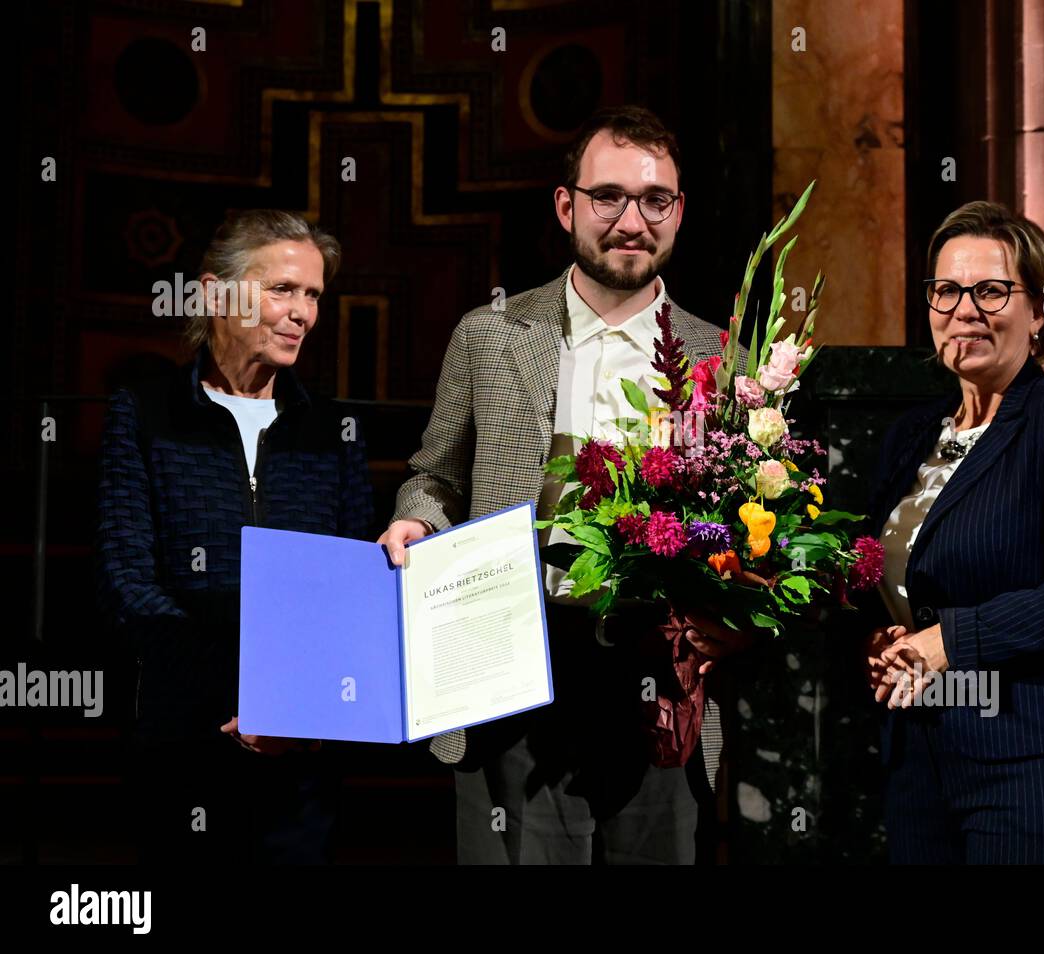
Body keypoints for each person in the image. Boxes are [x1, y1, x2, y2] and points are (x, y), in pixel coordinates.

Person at [379, 105, 748, 864]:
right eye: (608, 196)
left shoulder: (726, 356)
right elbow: (435, 475)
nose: (632, 220)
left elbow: (749, 521)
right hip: (512, 667)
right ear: (566, 205)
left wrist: (732, 613)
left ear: (677, 212)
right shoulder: (490, 335)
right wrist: (416, 520)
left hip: (658, 678)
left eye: (655, 200)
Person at [863, 200, 1044, 863]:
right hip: (921, 758)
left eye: (991, 290)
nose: (966, 309)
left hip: (1040, 759)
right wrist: (886, 637)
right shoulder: (911, 436)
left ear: (1039, 309)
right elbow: (903, 580)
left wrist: (953, 643)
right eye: (946, 291)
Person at [96, 210, 373, 863]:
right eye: (282, 289)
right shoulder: (144, 413)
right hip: (183, 740)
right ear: (214, 293)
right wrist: (240, 692)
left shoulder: (333, 432)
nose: (302, 313)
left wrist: (291, 708)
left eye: (312, 295)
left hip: (301, 755)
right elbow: (125, 581)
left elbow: (355, 584)